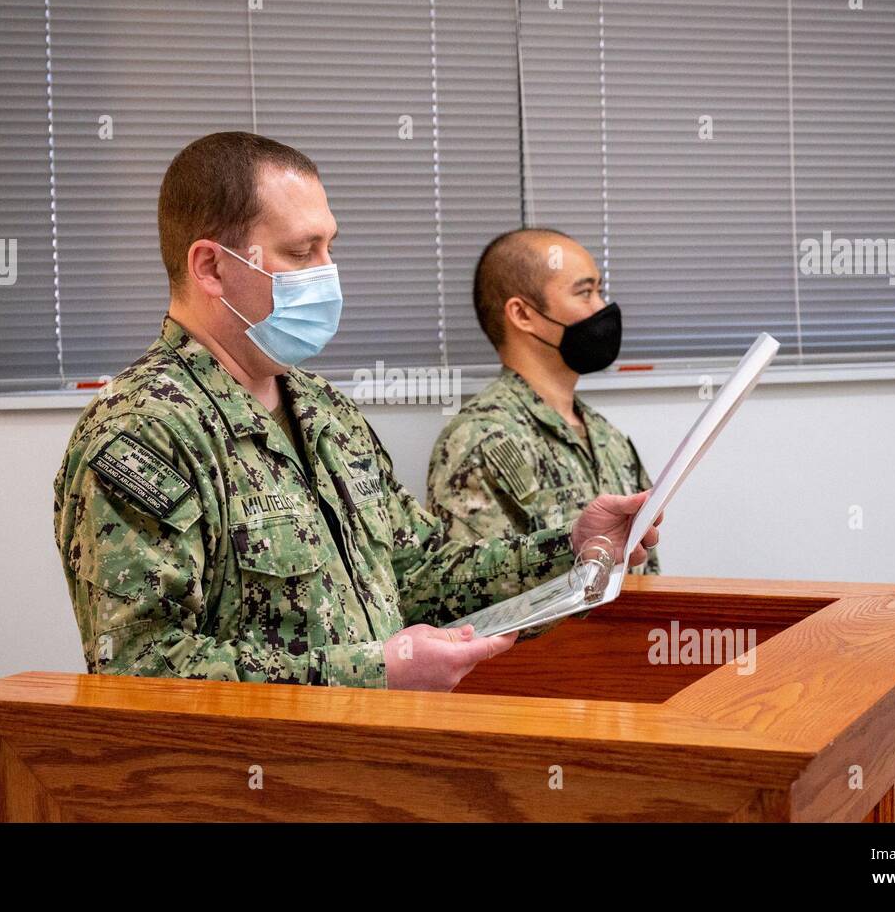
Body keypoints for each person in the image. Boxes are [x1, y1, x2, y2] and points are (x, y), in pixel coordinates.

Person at [53, 133, 659, 692]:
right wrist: (376, 672)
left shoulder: (325, 411)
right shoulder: (143, 434)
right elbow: (141, 670)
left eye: (329, 247)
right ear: (211, 267)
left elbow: (419, 573)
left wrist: (571, 547)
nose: (327, 273)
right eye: (300, 251)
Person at [427, 227, 660, 582]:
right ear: (523, 315)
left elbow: (647, 574)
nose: (602, 308)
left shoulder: (607, 438)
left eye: (600, 291)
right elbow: (471, 594)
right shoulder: (481, 441)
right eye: (584, 292)